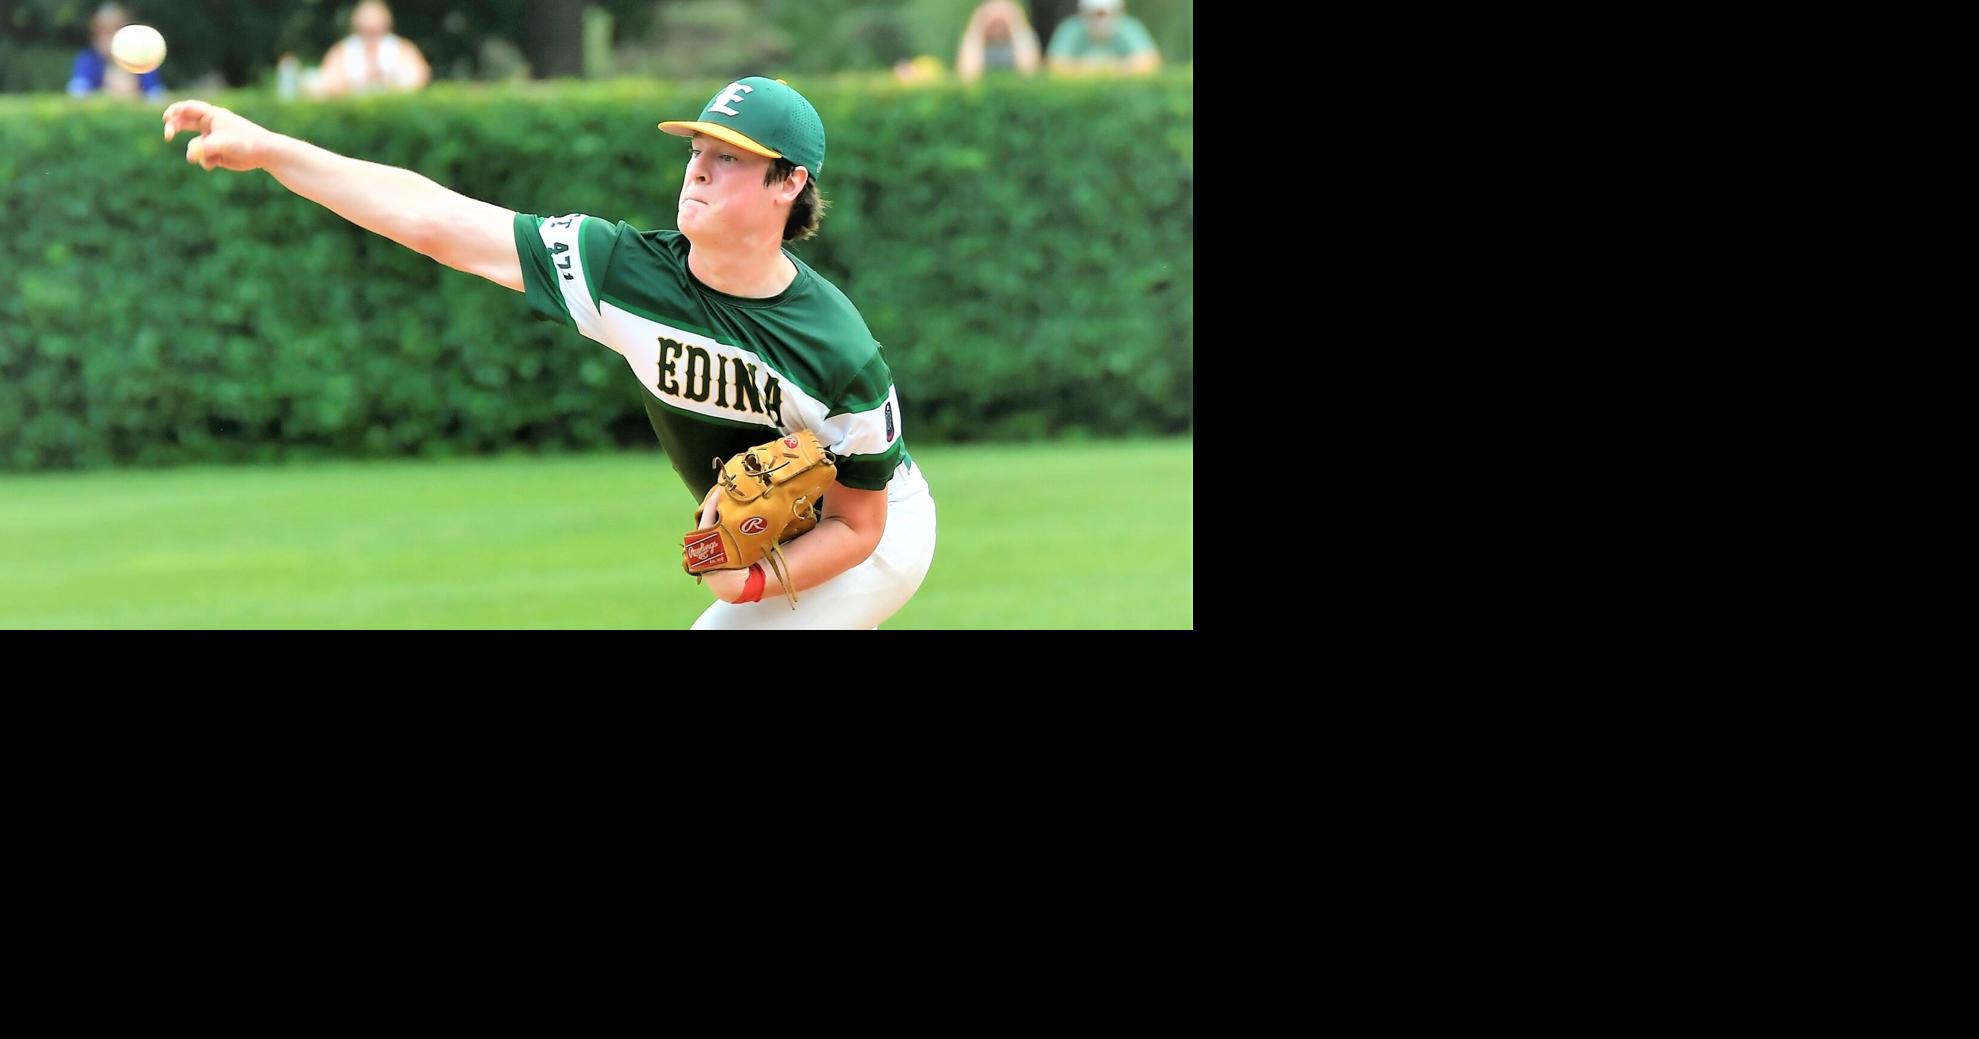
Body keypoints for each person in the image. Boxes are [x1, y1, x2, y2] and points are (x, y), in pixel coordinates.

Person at [160, 77, 936, 630]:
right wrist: (270, 149)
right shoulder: (619, 270)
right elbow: (435, 219)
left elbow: (859, 525)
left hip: (876, 533)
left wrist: (757, 580)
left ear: (787, 183)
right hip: (795, 536)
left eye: (730, 156)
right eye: (699, 147)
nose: (698, 164)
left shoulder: (835, 351)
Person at [309, 0, 431, 97]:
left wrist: (388, 82)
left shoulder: (403, 49)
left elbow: (419, 78)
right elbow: (328, 83)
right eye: (367, 30)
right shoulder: (341, 52)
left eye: (375, 30)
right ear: (357, 26)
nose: (371, 35)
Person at [68, 4, 165, 101]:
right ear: (94, 36)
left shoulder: (142, 59)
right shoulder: (88, 59)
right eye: (103, 32)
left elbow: (156, 95)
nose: (109, 38)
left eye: (114, 30)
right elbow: (77, 92)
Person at [1046, 0, 1160, 76]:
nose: (1099, 21)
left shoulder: (1129, 27)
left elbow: (1150, 62)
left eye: (1104, 14)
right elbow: (1054, 66)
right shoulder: (1070, 29)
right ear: (1082, 13)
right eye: (1094, 14)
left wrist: (1107, 68)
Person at [956, 1, 1042, 84]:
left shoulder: (1021, 37)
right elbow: (967, 79)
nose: (997, 16)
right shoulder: (977, 40)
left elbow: (1029, 75)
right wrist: (977, 30)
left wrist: (1017, 27)